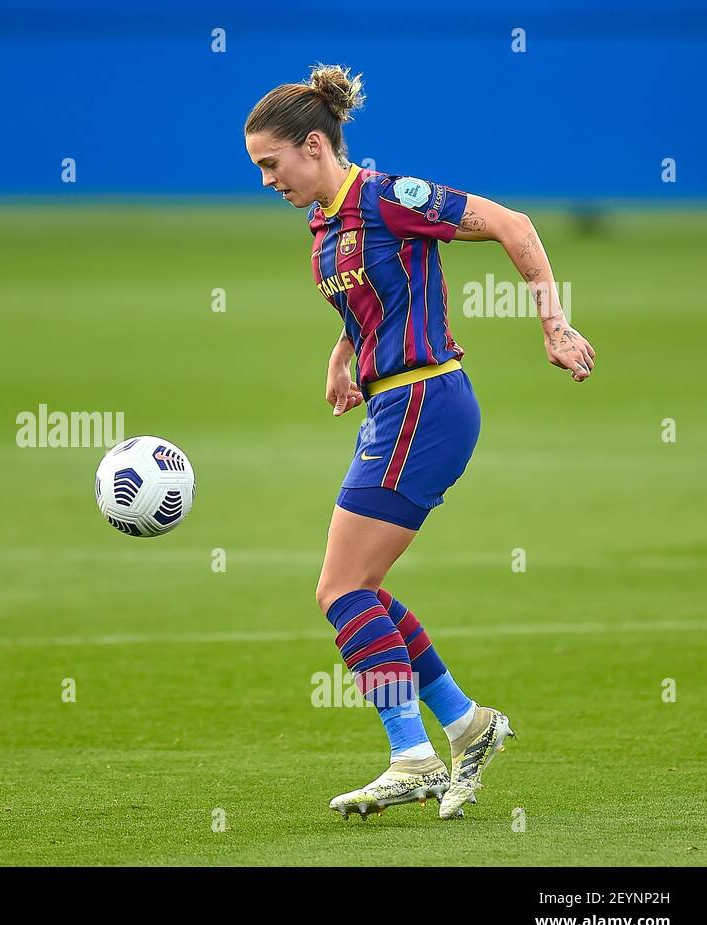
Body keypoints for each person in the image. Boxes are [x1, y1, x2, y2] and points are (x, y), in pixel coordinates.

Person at [243, 64, 596, 820]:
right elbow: (371, 298)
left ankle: (412, 757)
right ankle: (469, 726)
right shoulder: (325, 223)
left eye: (272, 164)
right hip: (394, 405)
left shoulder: (387, 198)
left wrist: (553, 324)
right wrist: (346, 359)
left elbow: (514, 225)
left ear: (314, 144)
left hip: (424, 403)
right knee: (355, 588)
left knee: (340, 591)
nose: (267, 180)